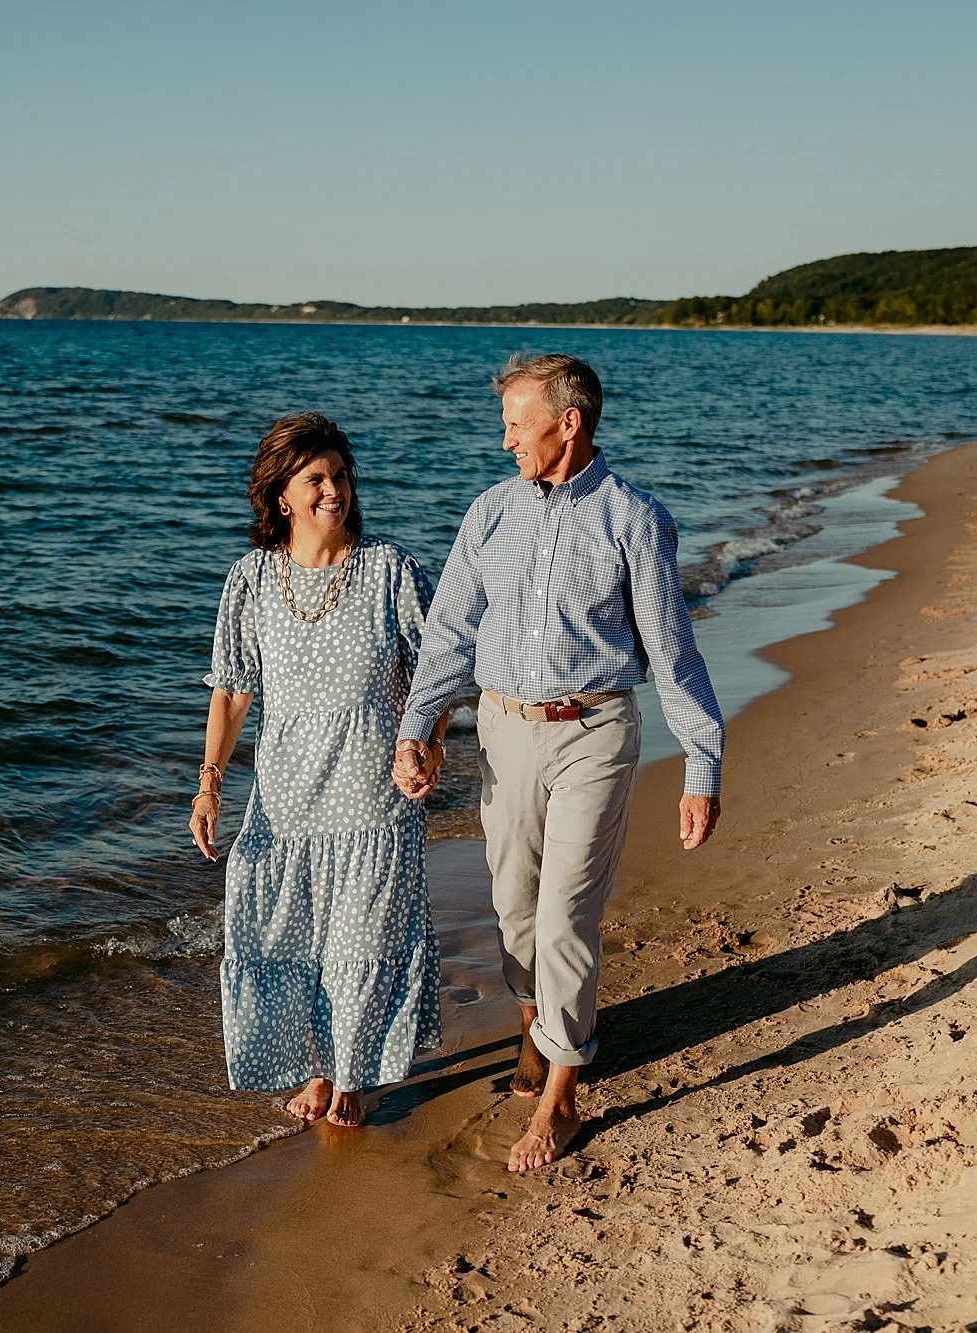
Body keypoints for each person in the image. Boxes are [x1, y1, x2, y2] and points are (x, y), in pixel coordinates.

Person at [393, 353, 725, 1173]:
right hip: (502, 730)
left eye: (516, 421)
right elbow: (448, 633)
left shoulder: (633, 521)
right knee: (512, 905)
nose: (505, 439)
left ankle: (563, 1094)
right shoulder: (490, 514)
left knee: (565, 911)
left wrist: (702, 764)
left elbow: (674, 657)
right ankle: (535, 1023)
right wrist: (419, 723)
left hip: (594, 732)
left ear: (566, 422)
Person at [191, 412, 448, 1128]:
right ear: (281, 495)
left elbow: (437, 672)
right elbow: (234, 689)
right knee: (285, 936)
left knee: (361, 944)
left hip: (373, 796)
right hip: (286, 801)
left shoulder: (389, 569)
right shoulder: (250, 580)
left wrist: (428, 745)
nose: (333, 490)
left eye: (339, 476)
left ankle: (353, 1075)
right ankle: (316, 1064)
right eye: (316, 479)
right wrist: (209, 785)